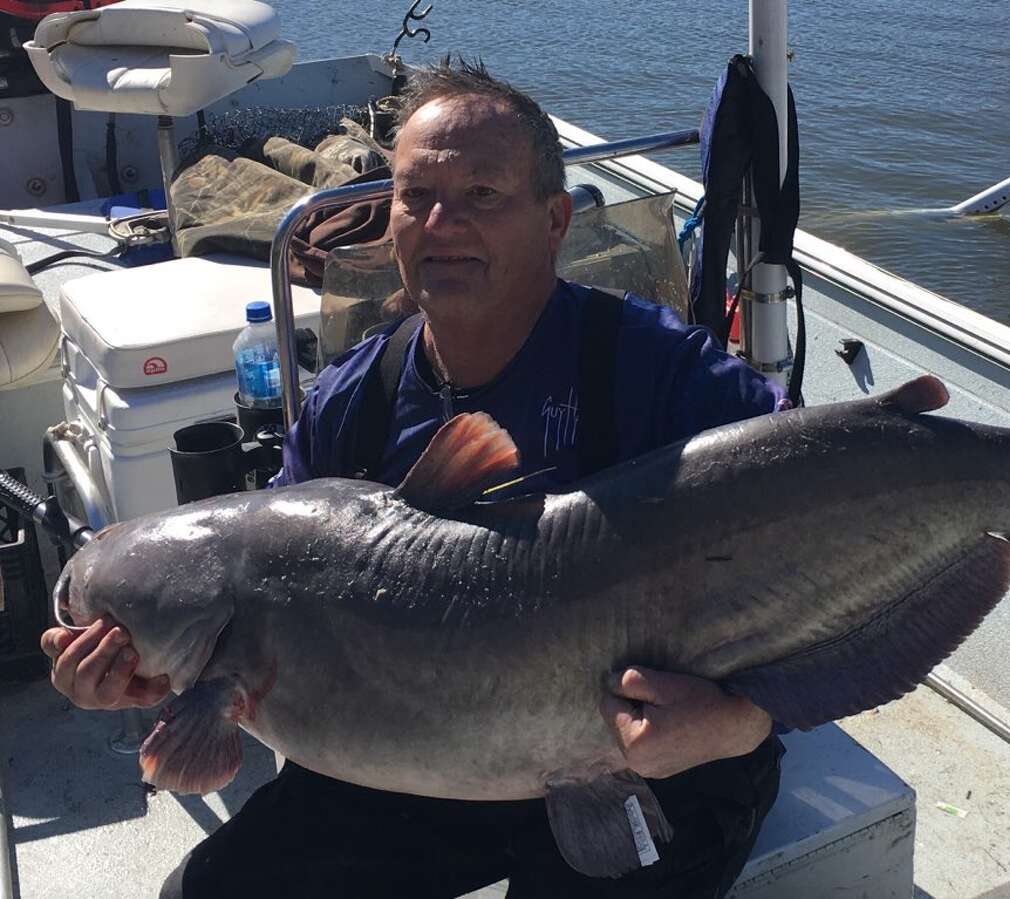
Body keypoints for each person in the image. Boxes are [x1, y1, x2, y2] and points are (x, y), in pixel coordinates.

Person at [40, 58, 790, 898]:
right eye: (415, 196)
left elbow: (834, 537)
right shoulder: (352, 403)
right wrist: (151, 672)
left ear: (553, 220)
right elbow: (254, 608)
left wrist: (739, 720)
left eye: (482, 195)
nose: (441, 223)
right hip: (422, 760)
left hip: (659, 759)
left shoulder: (658, 372)